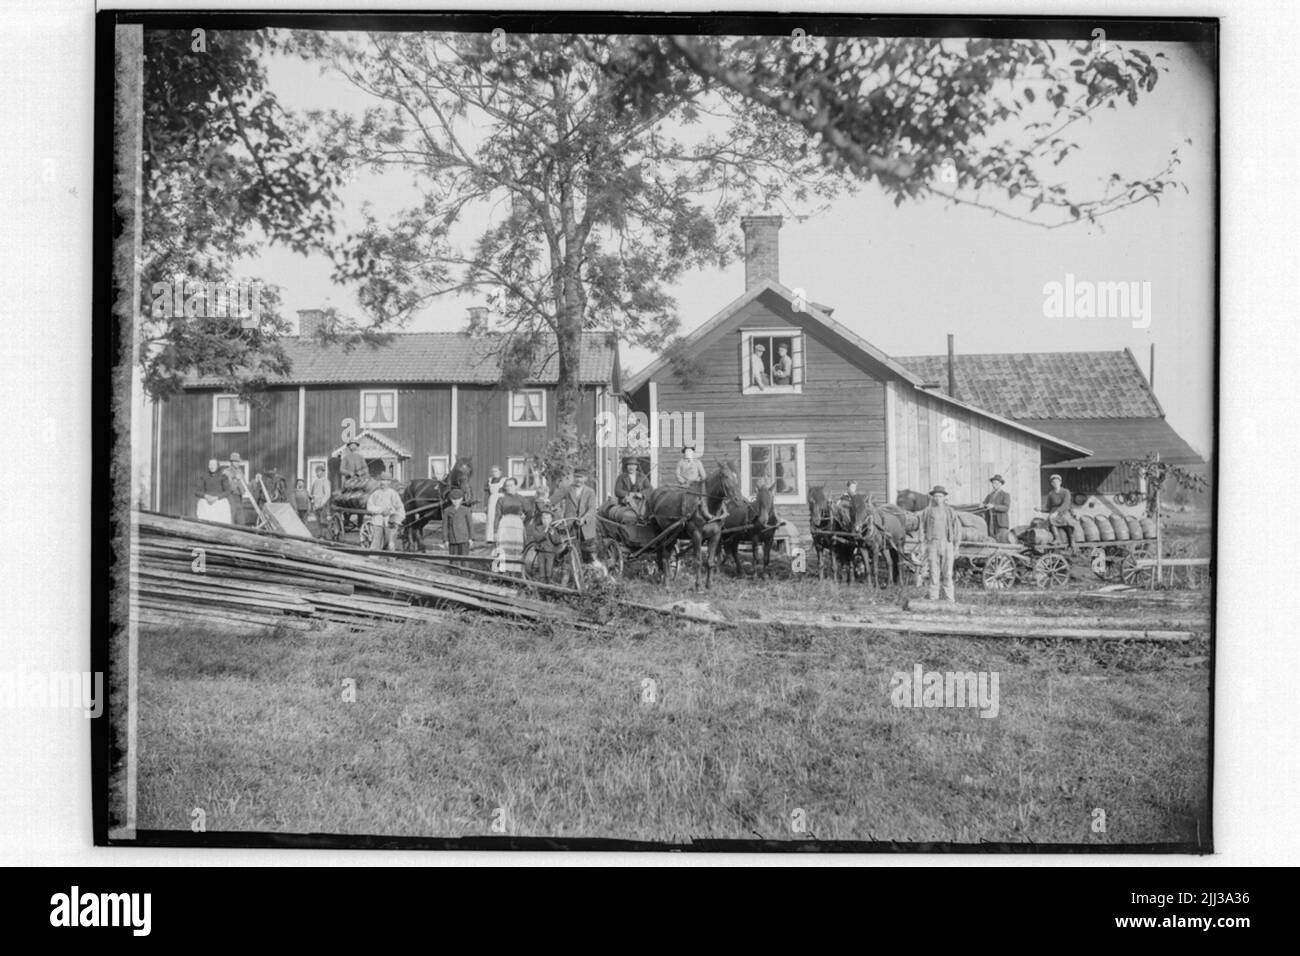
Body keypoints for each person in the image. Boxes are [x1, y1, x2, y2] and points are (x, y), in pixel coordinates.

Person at [921, 484, 963, 602]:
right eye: (936, 496)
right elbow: (922, 529)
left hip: (947, 544)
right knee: (934, 572)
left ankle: (950, 599)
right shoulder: (927, 512)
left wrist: (957, 547)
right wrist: (923, 546)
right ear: (932, 498)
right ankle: (933, 598)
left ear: (945, 498)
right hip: (933, 543)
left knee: (948, 573)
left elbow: (957, 530)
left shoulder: (950, 512)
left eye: (940, 496)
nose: (938, 498)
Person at [557, 466, 599, 563]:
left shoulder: (590, 491)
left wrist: (584, 518)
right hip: (571, 524)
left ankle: (586, 571)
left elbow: (592, 508)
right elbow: (554, 500)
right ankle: (565, 567)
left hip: (586, 525)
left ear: (585, 478)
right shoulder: (567, 489)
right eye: (576, 477)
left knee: (587, 552)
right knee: (569, 548)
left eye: (581, 477)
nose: (578, 480)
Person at [494, 477, 528, 575]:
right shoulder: (501, 499)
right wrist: (495, 531)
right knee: (503, 548)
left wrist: (524, 522)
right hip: (504, 526)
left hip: (517, 526)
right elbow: (497, 516)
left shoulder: (521, 499)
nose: (509, 488)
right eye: (507, 486)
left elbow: (529, 512)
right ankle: (503, 572)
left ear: (516, 486)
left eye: (511, 485)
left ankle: (515, 573)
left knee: (516, 548)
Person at [1039, 473, 1081, 547]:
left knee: (1067, 520)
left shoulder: (1065, 492)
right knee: (1050, 519)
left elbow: (1066, 504)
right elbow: (1048, 507)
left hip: (1064, 511)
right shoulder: (1051, 494)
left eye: (1057, 481)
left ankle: (1071, 540)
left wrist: (1057, 512)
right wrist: (1040, 509)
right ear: (1051, 484)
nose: (1055, 483)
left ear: (1060, 482)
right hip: (1053, 513)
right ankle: (1057, 538)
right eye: (1053, 482)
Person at [366, 476, 406, 551]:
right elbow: (369, 507)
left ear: (389, 482)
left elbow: (400, 508)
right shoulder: (375, 494)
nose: (383, 482)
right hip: (378, 521)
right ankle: (373, 558)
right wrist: (380, 510)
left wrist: (398, 519)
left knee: (390, 543)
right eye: (382, 480)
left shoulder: (393, 494)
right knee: (376, 541)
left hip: (390, 522)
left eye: (386, 480)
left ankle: (390, 559)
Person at [531, 507, 562, 582]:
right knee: (541, 569)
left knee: (549, 568)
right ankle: (542, 581)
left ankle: (549, 581)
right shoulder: (538, 528)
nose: (546, 521)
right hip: (541, 552)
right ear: (541, 519)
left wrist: (552, 534)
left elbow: (557, 541)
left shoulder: (553, 529)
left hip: (550, 553)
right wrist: (545, 531)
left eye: (548, 519)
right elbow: (537, 538)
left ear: (551, 520)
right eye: (544, 518)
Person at [442, 487, 473, 558]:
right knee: (453, 559)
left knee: (464, 558)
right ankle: (453, 569)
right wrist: (445, 539)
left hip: (464, 539)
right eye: (453, 499)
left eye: (458, 499)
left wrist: (471, 538)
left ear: (461, 499)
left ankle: (464, 569)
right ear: (450, 499)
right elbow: (445, 526)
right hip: (452, 538)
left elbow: (470, 525)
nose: (456, 501)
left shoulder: (466, 510)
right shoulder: (447, 511)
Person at [983, 474, 1011, 538]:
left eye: (995, 483)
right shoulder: (989, 496)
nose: (993, 485)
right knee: (992, 540)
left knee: (1001, 540)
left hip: (1001, 524)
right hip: (990, 523)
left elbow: (1006, 508)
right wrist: (983, 505)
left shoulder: (1005, 495)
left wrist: (994, 506)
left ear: (1000, 484)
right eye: (993, 483)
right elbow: (985, 504)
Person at [484, 466, 506, 544]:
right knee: (491, 517)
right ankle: (490, 537)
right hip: (492, 500)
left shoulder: (504, 480)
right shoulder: (489, 480)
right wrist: (485, 505)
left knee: (500, 517)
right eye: (493, 471)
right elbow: (486, 494)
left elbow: (506, 492)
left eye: (496, 471)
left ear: (500, 472)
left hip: (501, 499)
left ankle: (501, 536)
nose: (494, 473)